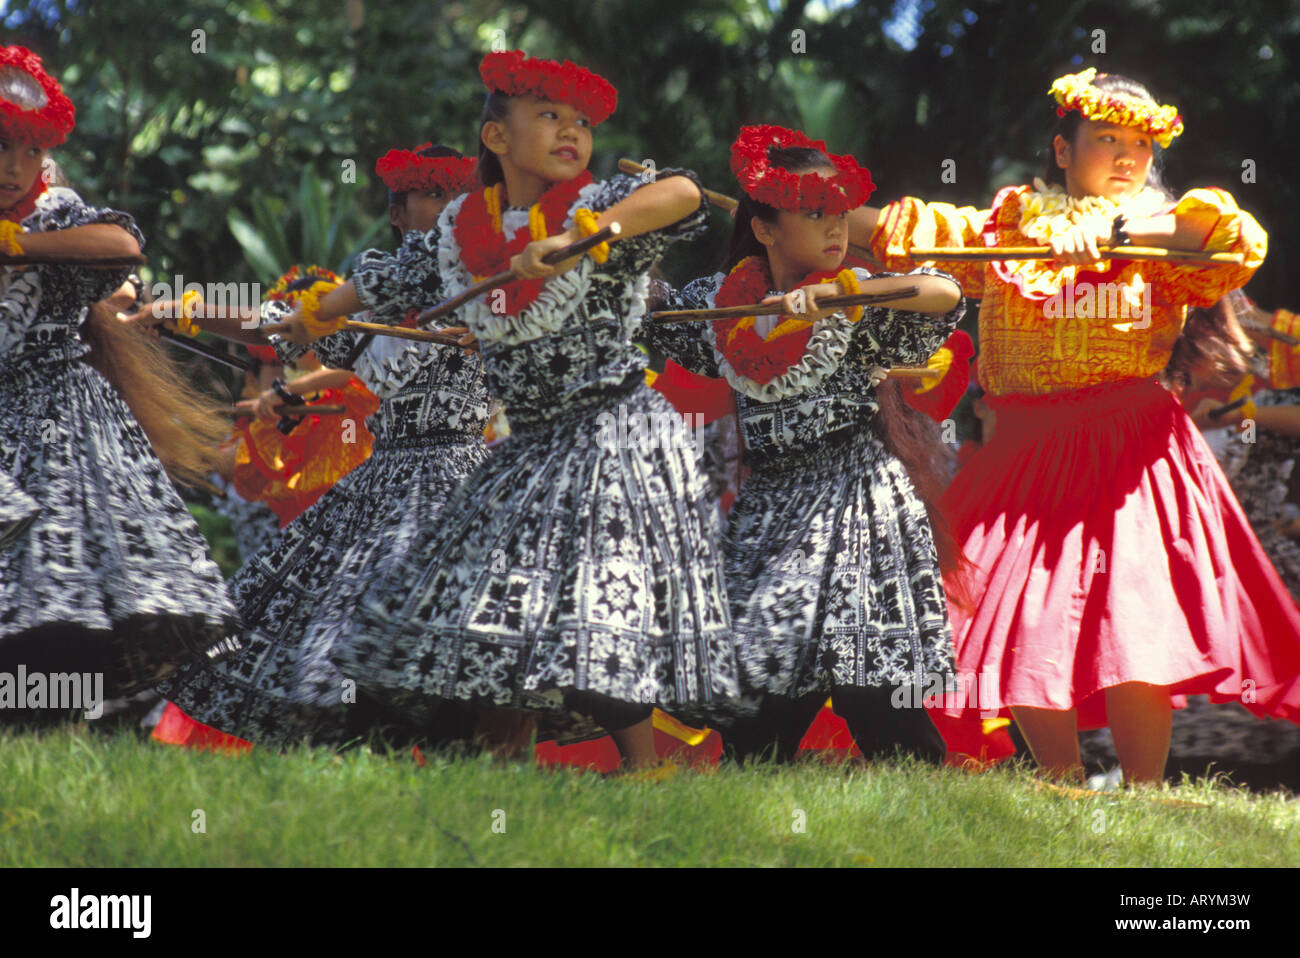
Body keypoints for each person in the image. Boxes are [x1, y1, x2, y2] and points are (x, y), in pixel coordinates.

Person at [282, 51, 739, 770]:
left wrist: (584, 236)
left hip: (613, 431)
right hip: (530, 444)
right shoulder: (462, 225)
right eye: (549, 116)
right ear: (496, 139)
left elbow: (683, 193)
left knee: (591, 601)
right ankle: (489, 768)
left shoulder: (605, 204)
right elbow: (388, 280)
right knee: (483, 602)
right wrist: (312, 316)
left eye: (581, 122)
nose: (571, 132)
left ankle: (648, 770)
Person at [848, 67, 1300, 785]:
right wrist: (815, 213)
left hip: (1131, 448)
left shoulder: (1165, 231)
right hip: (1027, 447)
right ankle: (1058, 778)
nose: (1127, 156)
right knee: (1019, 611)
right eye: (1106, 138)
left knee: (1132, 615)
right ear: (1062, 149)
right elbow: (914, 231)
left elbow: (1234, 236)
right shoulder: (1006, 227)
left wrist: (1116, 228)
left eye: (1141, 145)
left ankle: (1147, 792)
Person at [642, 125, 964, 763]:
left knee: (872, 684)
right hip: (770, 503)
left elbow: (945, 292)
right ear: (764, 227)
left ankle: (920, 806)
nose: (834, 228)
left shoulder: (857, 300)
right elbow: (657, 317)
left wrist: (841, 293)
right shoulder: (724, 303)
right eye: (814, 214)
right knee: (754, 682)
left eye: (839, 213)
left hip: (856, 498)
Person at [0, 45, 237, 718]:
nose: (14, 167)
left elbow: (123, 248)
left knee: (62, 583)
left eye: (27, 150)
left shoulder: (58, 211)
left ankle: (55, 718)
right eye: (0, 146)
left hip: (64, 425)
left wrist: (14, 245)